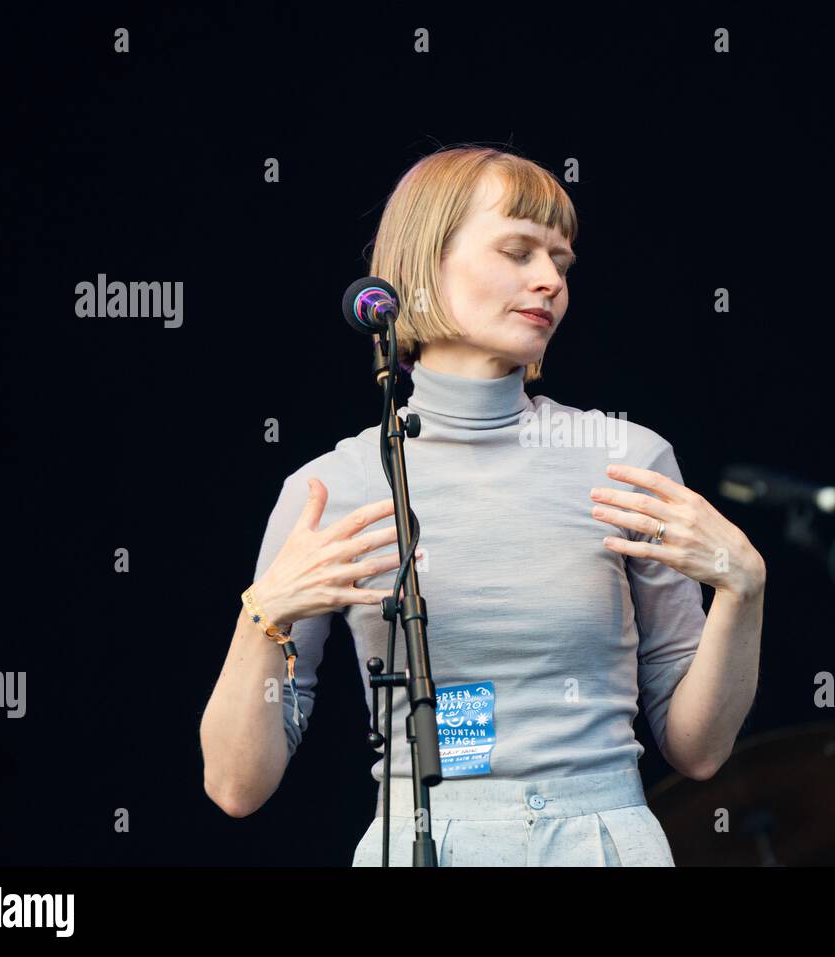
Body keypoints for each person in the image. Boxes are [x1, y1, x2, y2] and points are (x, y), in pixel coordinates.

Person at [200, 146, 766, 866]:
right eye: (518, 250)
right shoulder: (329, 486)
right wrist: (263, 617)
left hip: (600, 837)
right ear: (424, 260)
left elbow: (699, 749)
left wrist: (743, 588)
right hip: (419, 840)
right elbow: (235, 785)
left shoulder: (626, 457)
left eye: (561, 261)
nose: (549, 280)